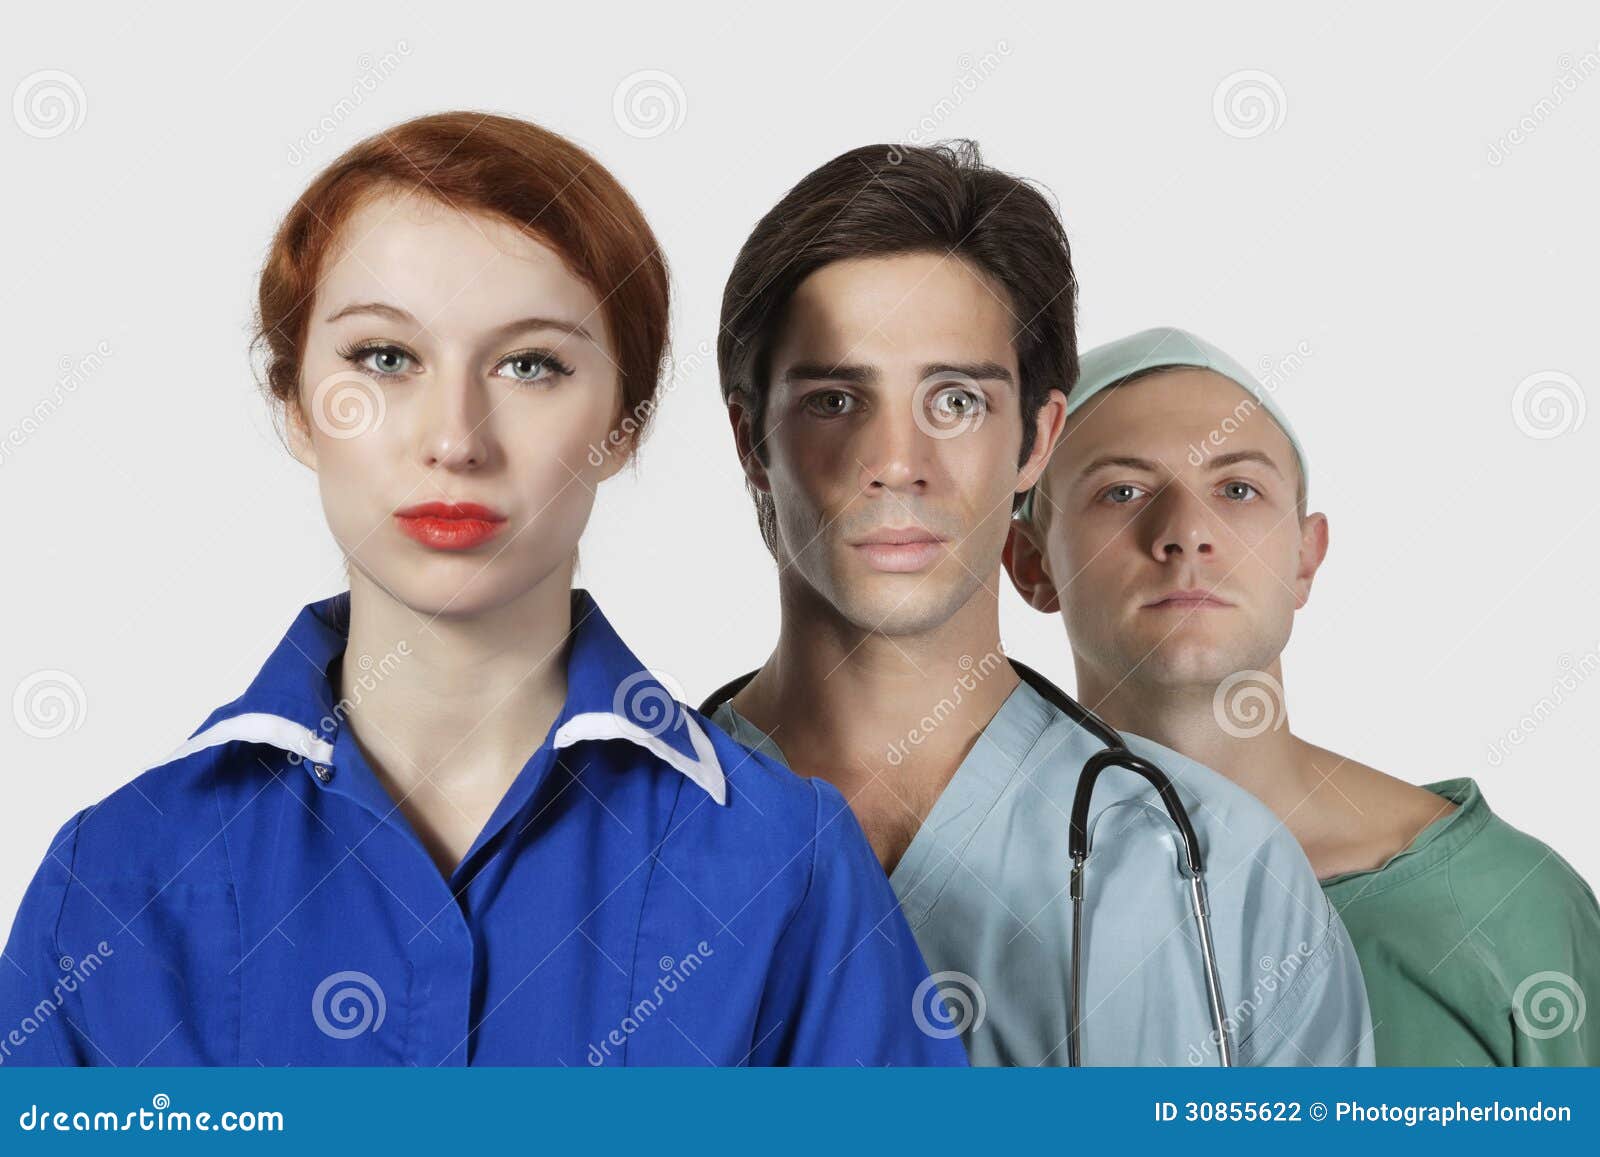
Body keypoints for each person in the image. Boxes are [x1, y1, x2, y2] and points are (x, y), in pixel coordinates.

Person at [0, 112, 964, 1068]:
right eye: (385, 358)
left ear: (626, 422)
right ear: (295, 403)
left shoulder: (786, 869)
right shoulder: (116, 877)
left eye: (531, 364)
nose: (456, 437)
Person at [703, 141, 1373, 1066]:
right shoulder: (613, 849)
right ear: (751, 439)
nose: (897, 461)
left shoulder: (1216, 874)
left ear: (1036, 439)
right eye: (834, 399)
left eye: (957, 400)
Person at [1006, 325, 1600, 1065]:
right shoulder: (965, 909)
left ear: (1304, 556)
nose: (1186, 532)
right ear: (1031, 564)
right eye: (1122, 490)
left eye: (1237, 489)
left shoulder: (1503, 908)